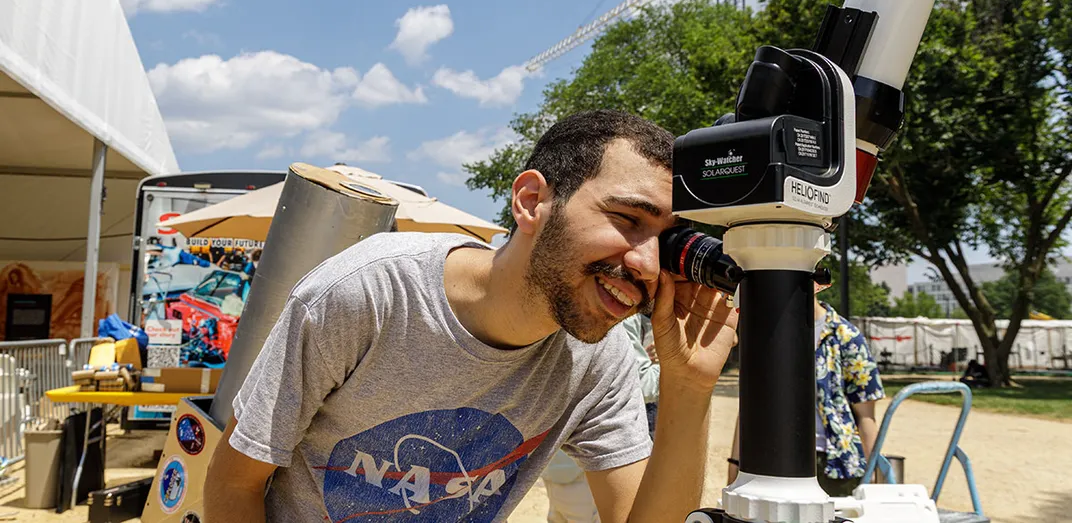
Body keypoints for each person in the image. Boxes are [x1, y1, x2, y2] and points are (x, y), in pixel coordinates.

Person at [204, 110, 738, 523]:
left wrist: (688, 386)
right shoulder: (366, 294)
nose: (645, 262)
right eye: (626, 219)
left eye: (665, 242)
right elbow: (234, 484)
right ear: (531, 201)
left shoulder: (600, 361)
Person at [728, 290, 884, 497]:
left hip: (835, 466)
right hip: (775, 461)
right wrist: (734, 466)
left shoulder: (847, 337)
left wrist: (875, 477)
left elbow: (866, 416)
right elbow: (750, 408)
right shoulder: (767, 336)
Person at [540, 313, 661, 522]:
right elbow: (643, 385)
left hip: (559, 461)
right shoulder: (621, 316)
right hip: (588, 467)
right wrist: (672, 366)